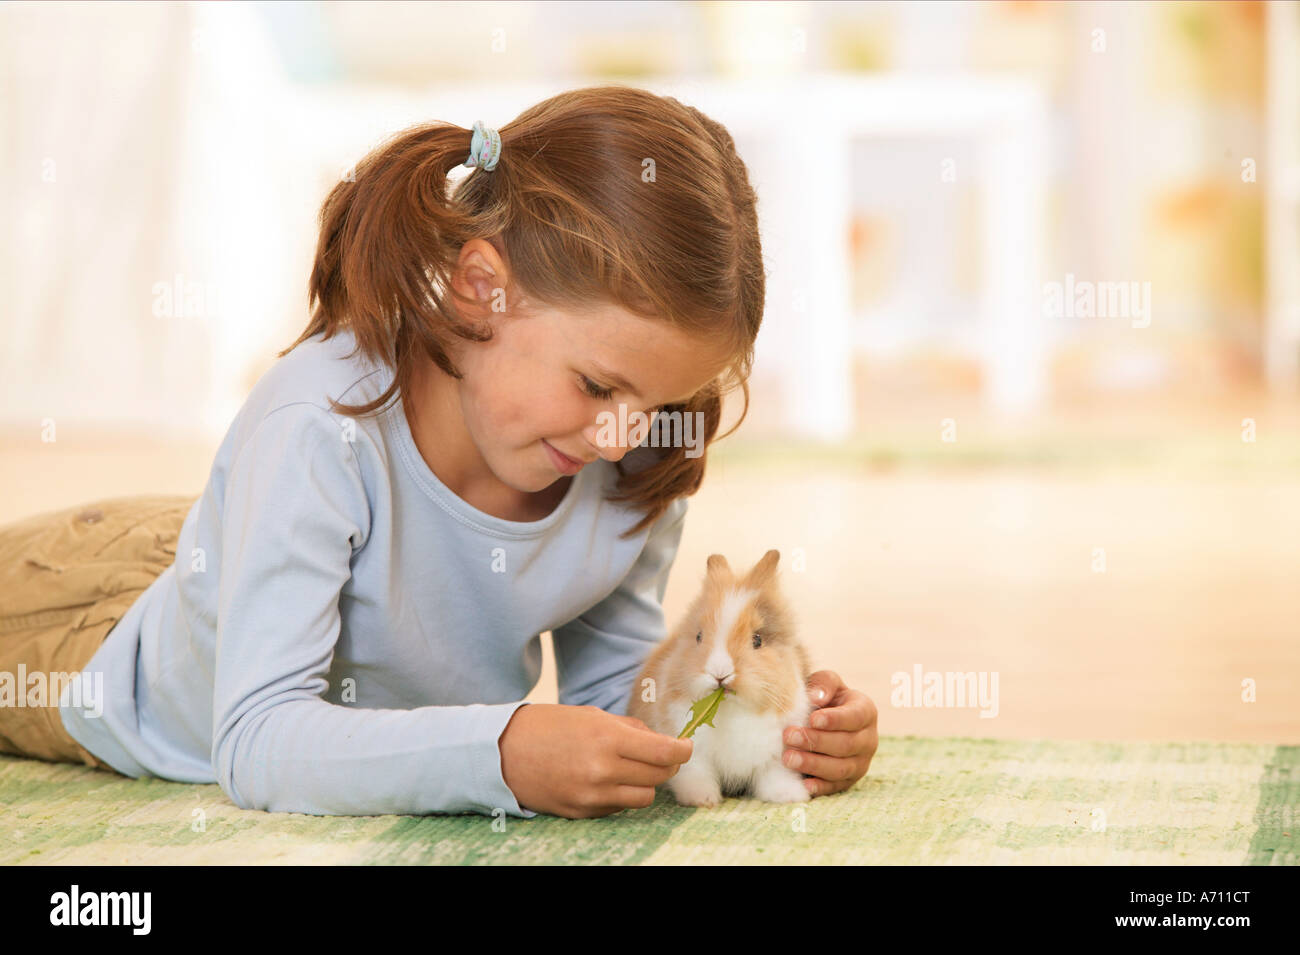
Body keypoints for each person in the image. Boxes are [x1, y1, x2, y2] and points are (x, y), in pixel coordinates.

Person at [0, 86, 878, 819]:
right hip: (94, 626)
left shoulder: (628, 458)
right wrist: (495, 752)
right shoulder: (316, 429)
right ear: (481, 289)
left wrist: (772, 727)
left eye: (662, 404)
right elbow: (258, 739)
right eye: (601, 387)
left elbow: (619, 691)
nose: (625, 435)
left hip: (241, 555)